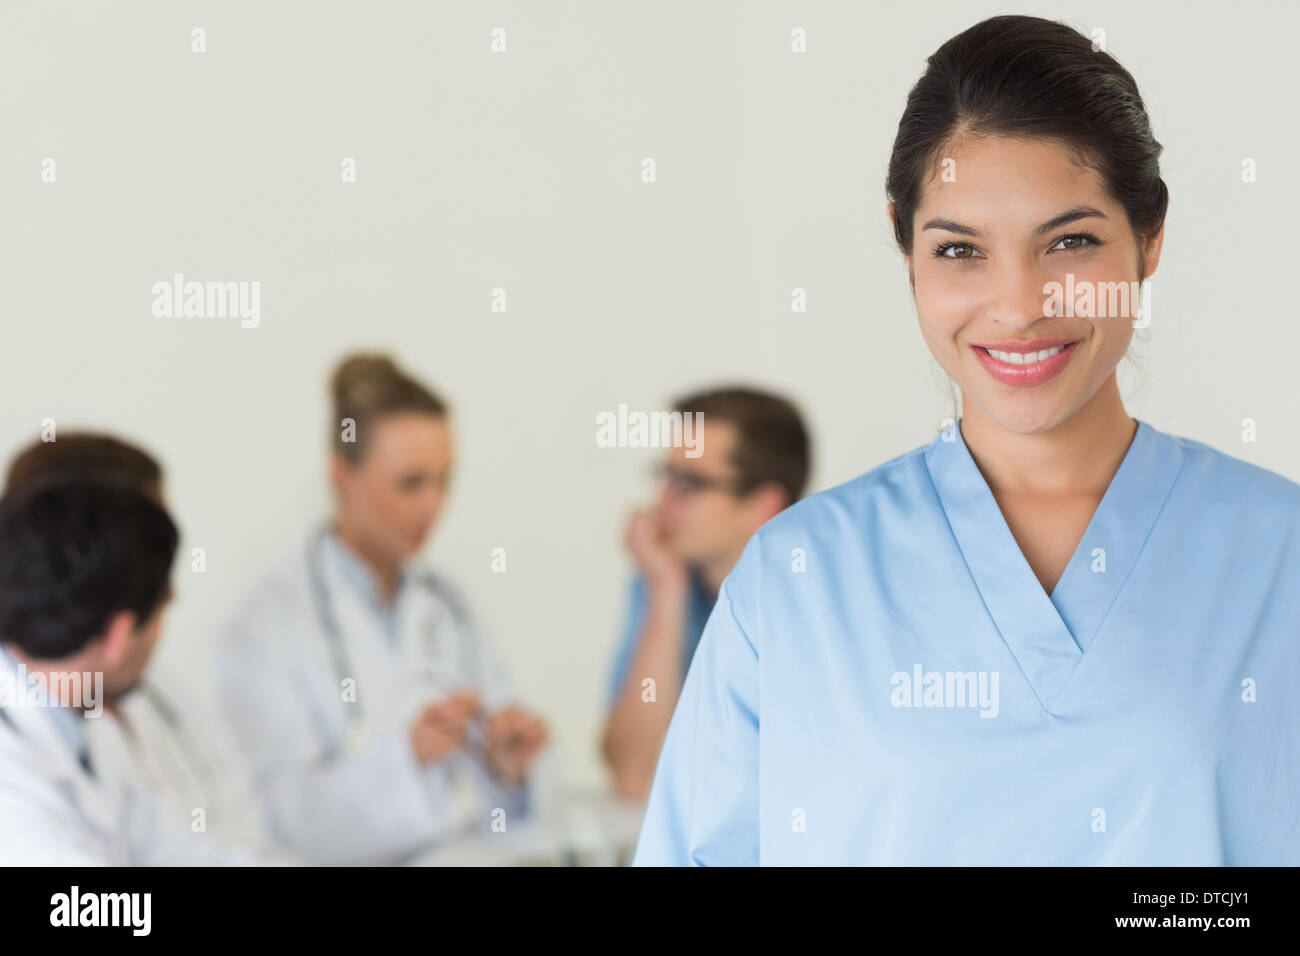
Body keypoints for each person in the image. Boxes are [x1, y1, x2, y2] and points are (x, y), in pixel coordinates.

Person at [634, 14, 1300, 865]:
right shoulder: (797, 578)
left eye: (1071, 241)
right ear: (906, 249)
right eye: (960, 249)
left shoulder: (1278, 551)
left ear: (1151, 237)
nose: (1019, 305)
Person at [215, 353, 549, 865]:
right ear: (343, 475)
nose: (434, 505)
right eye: (411, 483)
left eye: (445, 481)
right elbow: (282, 820)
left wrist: (508, 762)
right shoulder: (267, 624)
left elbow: (495, 809)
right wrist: (408, 757)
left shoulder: (449, 603)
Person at [0, 478, 255, 865]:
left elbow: (182, 856)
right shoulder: (15, 796)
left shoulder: (83, 723)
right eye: (161, 612)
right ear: (118, 636)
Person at [601, 388, 810, 800]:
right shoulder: (667, 582)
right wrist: (666, 591)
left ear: (763, 505)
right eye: (665, 476)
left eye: (689, 483)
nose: (662, 499)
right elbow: (635, 776)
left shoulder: (815, 601)